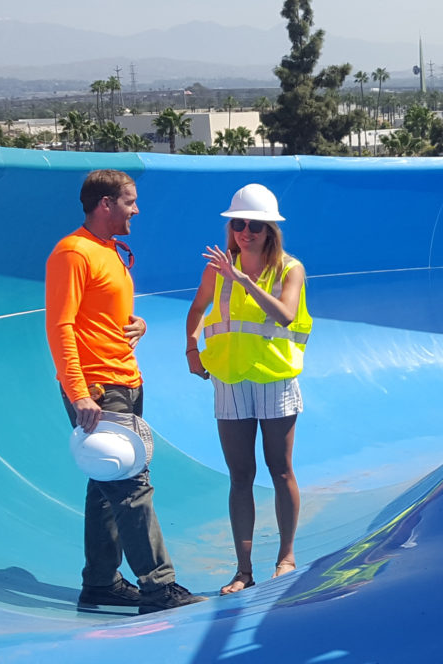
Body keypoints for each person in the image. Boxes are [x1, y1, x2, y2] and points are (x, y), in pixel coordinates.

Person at [45, 169, 206, 614]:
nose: (137, 209)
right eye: (130, 201)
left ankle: (100, 583)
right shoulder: (73, 253)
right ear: (105, 204)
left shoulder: (109, 251)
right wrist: (79, 394)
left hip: (126, 381)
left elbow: (100, 314)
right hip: (97, 388)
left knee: (105, 485)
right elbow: (59, 327)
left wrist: (138, 324)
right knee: (131, 486)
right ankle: (158, 587)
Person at [184, 183, 312, 596]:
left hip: (275, 379)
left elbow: (287, 315)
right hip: (231, 380)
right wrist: (191, 347)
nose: (245, 231)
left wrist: (242, 280)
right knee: (241, 476)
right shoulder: (216, 268)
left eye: (254, 225)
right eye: (238, 223)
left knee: (280, 470)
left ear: (270, 229)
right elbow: (198, 307)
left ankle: (286, 557)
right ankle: (243, 570)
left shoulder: (289, 269)